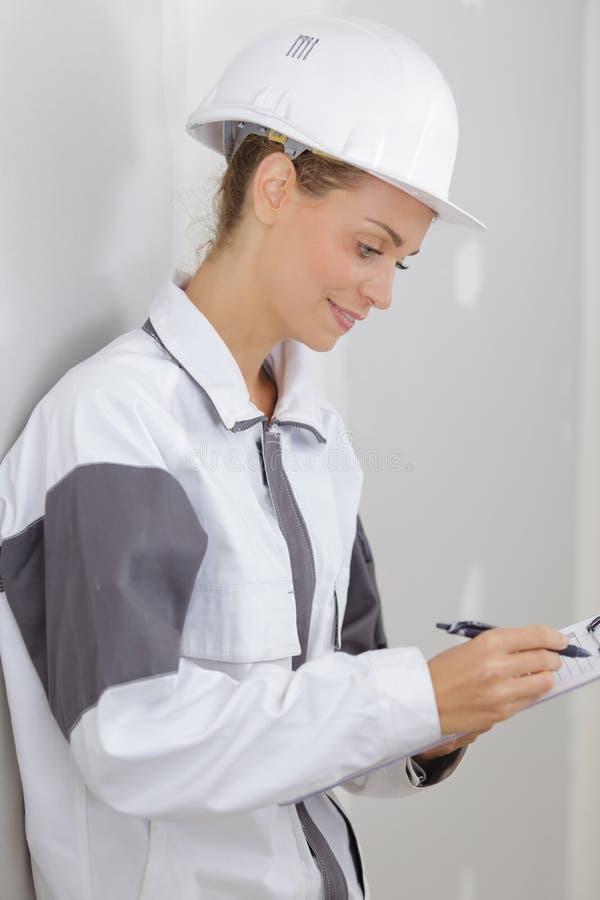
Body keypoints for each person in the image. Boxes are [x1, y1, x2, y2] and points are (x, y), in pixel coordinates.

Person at [0, 14, 568, 900]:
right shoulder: (115, 422)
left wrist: (449, 716)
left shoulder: (317, 441)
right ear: (273, 185)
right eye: (369, 247)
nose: (381, 293)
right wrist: (413, 698)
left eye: (402, 264)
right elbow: (129, 740)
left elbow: (332, 727)